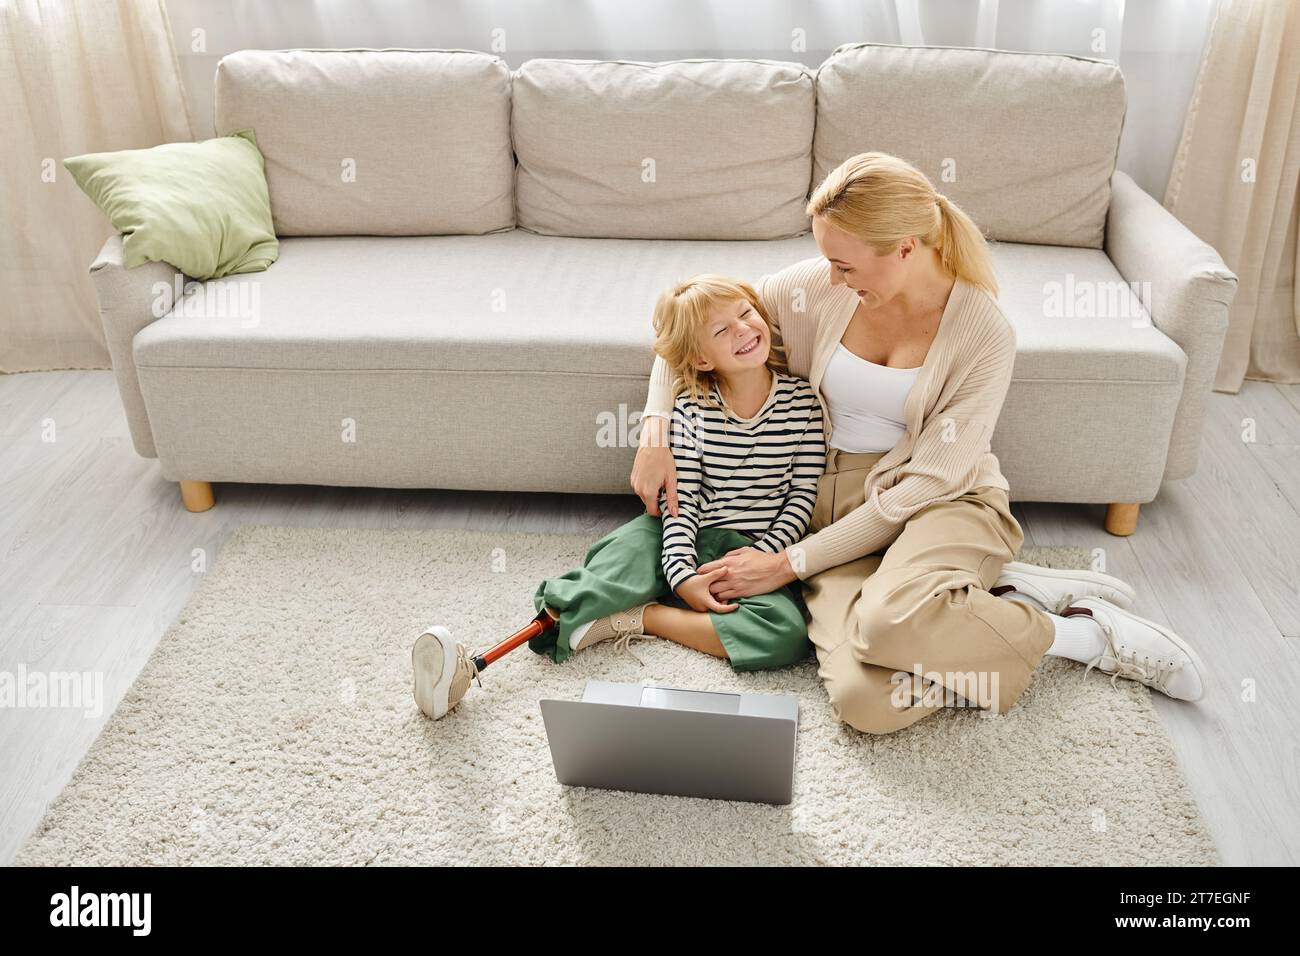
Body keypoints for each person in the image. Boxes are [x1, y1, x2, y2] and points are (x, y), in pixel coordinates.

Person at [629, 152, 1209, 734]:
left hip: (942, 500)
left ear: (906, 247)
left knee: (883, 623)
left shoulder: (983, 333)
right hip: (834, 510)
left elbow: (920, 488)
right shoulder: (819, 288)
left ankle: (1084, 635)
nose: (830, 277)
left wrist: (787, 564)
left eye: (844, 265)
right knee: (868, 705)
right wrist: (655, 433)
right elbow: (686, 327)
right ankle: (983, 601)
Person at [412, 274, 825, 720]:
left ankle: (639, 618)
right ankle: (465, 670)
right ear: (702, 359)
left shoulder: (804, 405)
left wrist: (758, 561)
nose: (743, 330)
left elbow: (801, 499)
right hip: (679, 529)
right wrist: (683, 572)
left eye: (746, 315)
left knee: (786, 633)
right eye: (722, 330)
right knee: (611, 569)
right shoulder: (688, 410)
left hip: (753, 549)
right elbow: (679, 504)